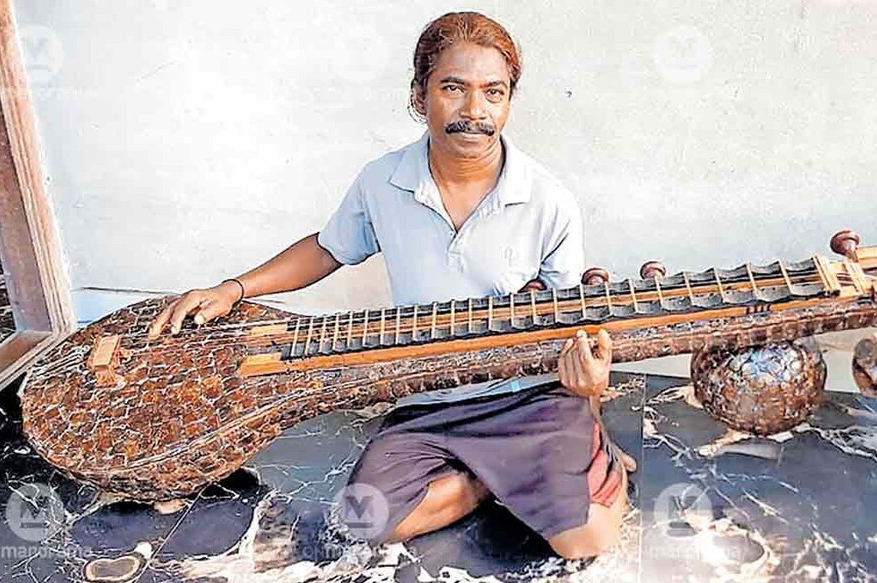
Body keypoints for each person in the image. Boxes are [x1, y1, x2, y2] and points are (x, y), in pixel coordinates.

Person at [147, 12, 628, 559]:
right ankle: (492, 479)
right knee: (365, 520)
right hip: (427, 393)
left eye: (493, 93)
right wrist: (235, 288)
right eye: (454, 88)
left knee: (586, 541)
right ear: (420, 96)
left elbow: (573, 319)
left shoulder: (547, 199)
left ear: (508, 102)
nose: (475, 110)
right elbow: (328, 248)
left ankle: (566, 454)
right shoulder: (384, 180)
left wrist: (589, 393)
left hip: (527, 397)